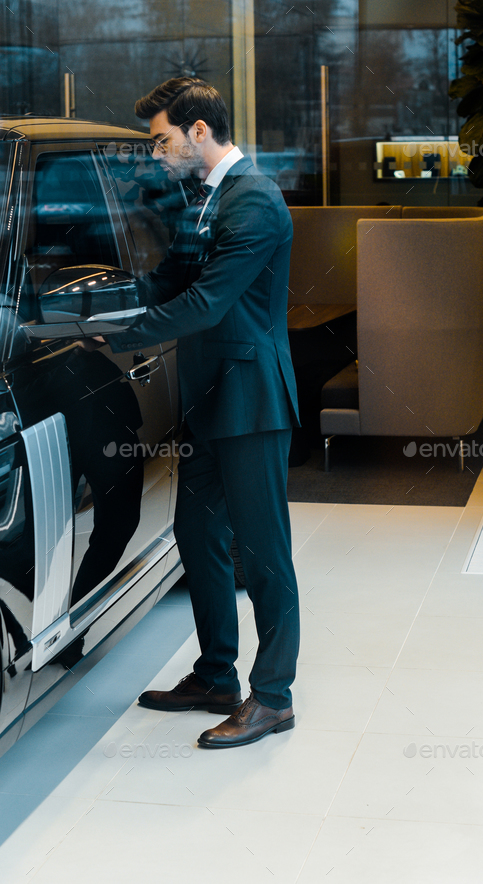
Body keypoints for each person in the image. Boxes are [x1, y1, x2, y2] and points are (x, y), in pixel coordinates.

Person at [105, 78, 300, 749]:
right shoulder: (206, 198)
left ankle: (272, 697)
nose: (156, 155)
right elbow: (173, 281)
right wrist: (107, 300)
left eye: (161, 140)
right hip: (210, 397)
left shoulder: (256, 202)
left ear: (196, 132)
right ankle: (215, 674)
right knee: (198, 537)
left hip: (251, 399)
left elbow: (207, 304)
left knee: (264, 551)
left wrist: (121, 335)